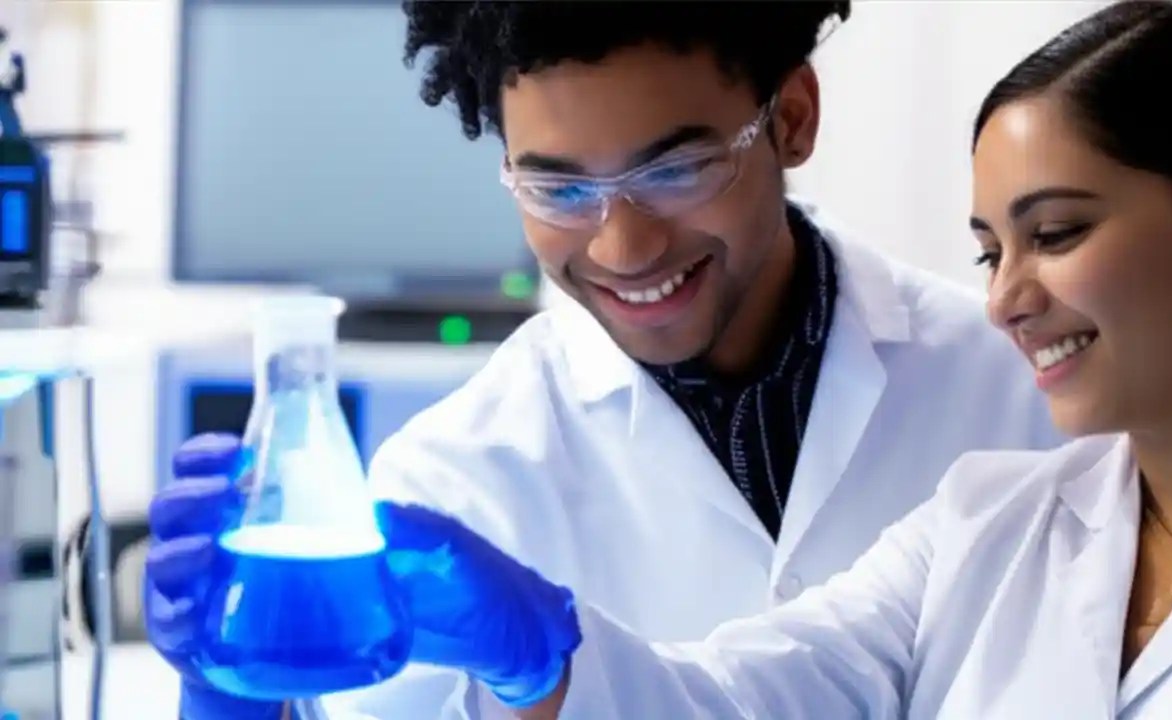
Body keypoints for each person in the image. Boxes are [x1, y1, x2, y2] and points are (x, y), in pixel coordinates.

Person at [143, 2, 1062, 718]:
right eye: (559, 186)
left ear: (789, 117)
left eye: (675, 170)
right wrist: (226, 701)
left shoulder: (1019, 388)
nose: (623, 246)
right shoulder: (452, 478)